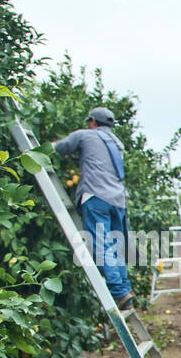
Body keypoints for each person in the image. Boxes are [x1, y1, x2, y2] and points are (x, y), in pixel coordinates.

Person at [53, 107, 133, 310]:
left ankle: (118, 291)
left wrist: (43, 149)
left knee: (101, 243)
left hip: (97, 197)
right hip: (118, 199)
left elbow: (62, 148)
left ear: (93, 122)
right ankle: (124, 288)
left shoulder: (85, 135)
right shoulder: (117, 143)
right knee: (116, 245)